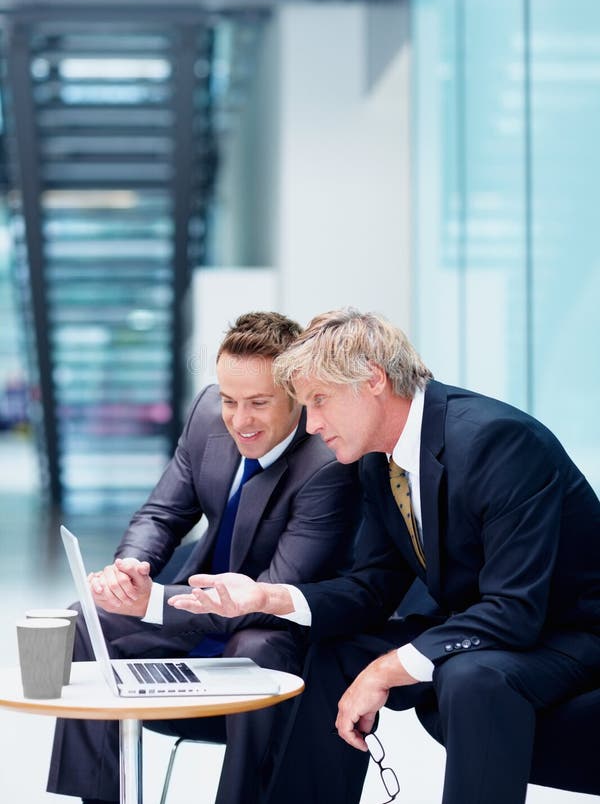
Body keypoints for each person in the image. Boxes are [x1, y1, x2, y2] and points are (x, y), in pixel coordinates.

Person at [169, 307, 600, 804]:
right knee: (336, 652)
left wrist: (384, 670)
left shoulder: (496, 441)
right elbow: (371, 589)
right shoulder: (379, 462)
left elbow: (514, 610)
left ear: (372, 379)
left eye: (320, 401)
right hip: (483, 622)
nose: (311, 425)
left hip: (567, 632)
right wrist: (267, 595)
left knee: (468, 674)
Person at [47, 311, 362, 804]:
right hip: (195, 611)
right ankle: (99, 798)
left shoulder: (327, 466)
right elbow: (162, 512)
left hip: (271, 624)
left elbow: (277, 589)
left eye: (259, 403)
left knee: (257, 651)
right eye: (230, 400)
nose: (240, 420)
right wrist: (132, 570)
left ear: (298, 396)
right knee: (83, 620)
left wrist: (154, 604)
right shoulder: (207, 415)